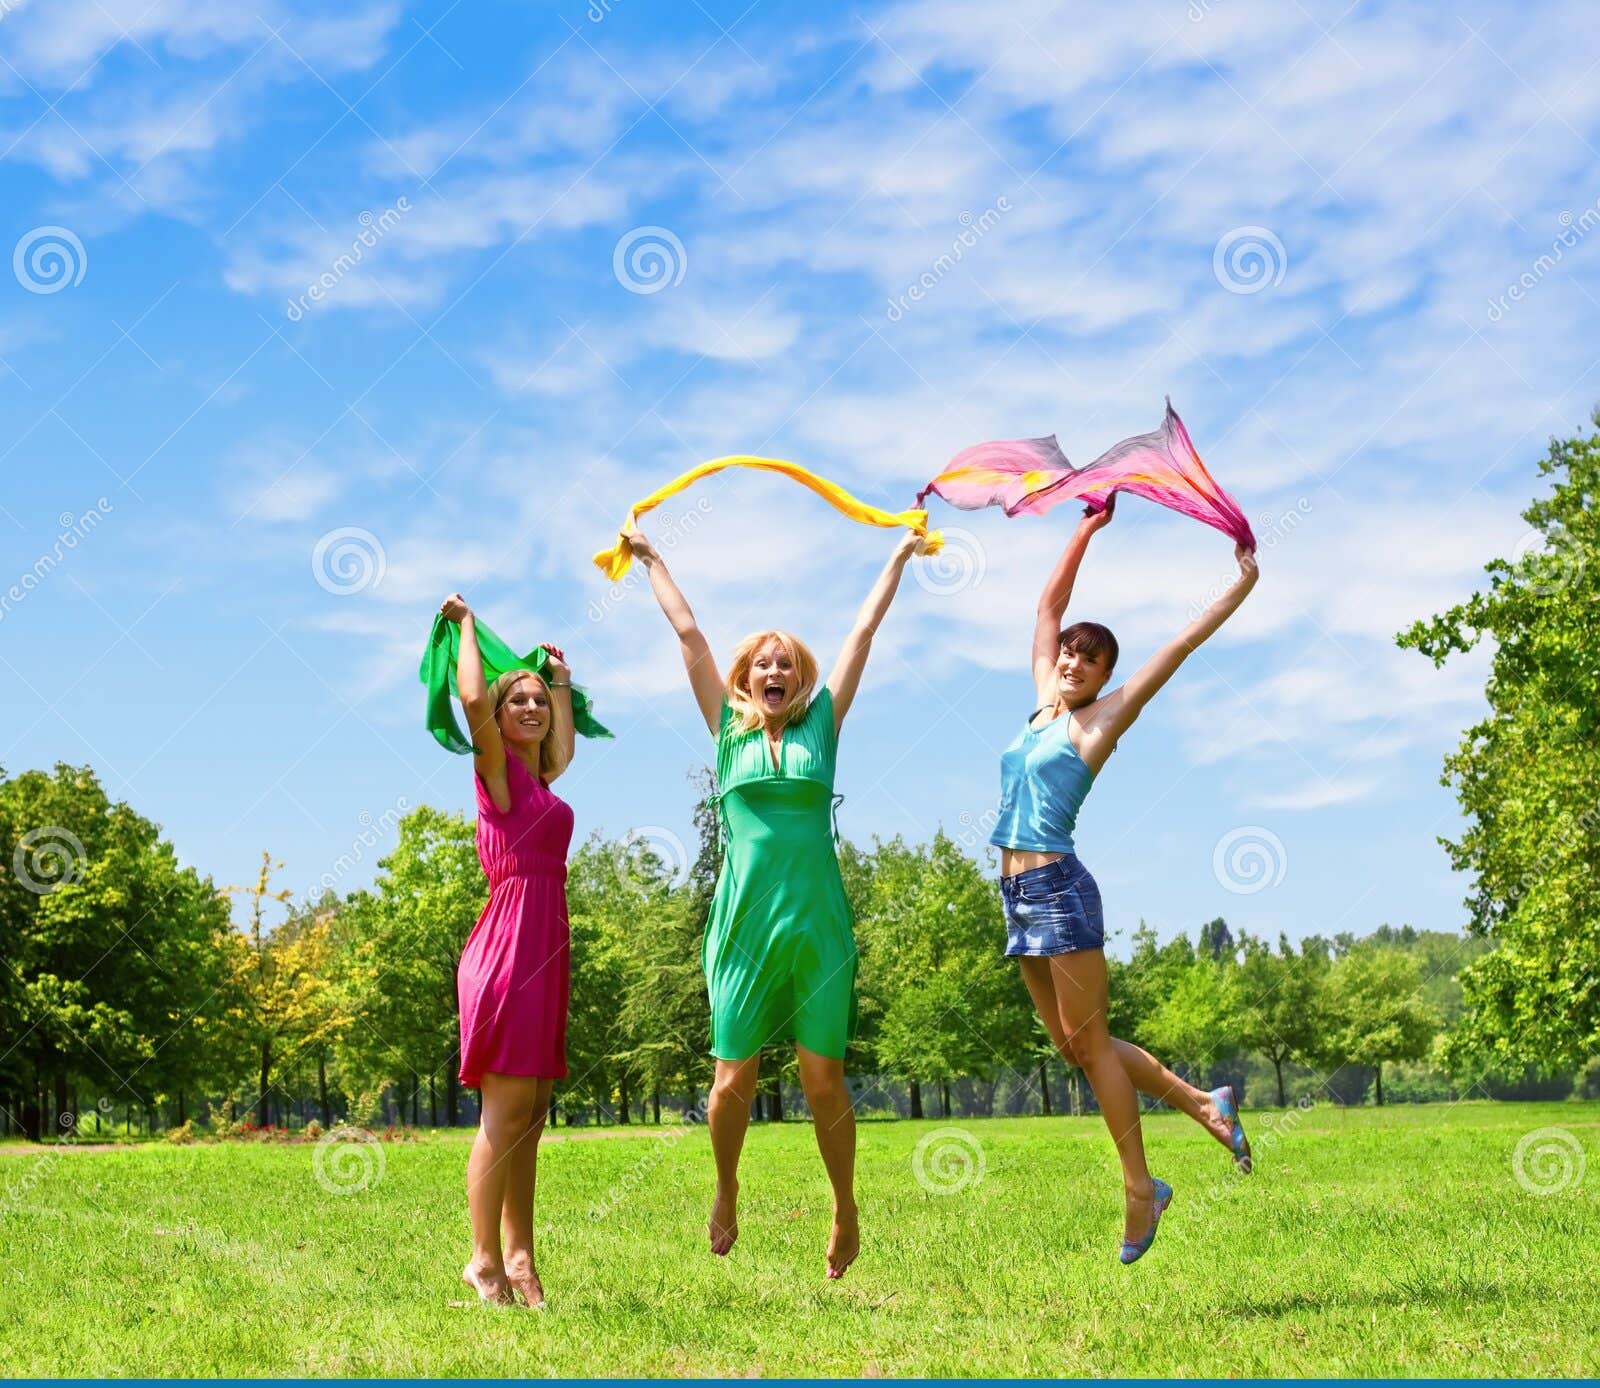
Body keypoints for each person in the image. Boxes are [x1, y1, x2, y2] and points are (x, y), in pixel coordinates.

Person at [627, 527, 925, 1279]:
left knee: (824, 1078)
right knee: (733, 1078)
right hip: (743, 927)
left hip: (817, 923)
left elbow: (863, 630)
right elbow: (689, 631)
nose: (775, 668)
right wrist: (652, 558)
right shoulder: (726, 731)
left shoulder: (822, 725)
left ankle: (845, 1206)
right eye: (763, 661)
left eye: (786, 662)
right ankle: (727, 1190)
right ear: (744, 677)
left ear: (800, 680)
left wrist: (897, 556)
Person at [993, 498, 1258, 1264]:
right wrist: (1088, 527)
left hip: (1059, 891)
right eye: (1070, 652)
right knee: (1081, 1047)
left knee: (1092, 1047)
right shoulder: (1043, 704)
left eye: (1090, 659)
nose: (1072, 661)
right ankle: (1207, 1104)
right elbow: (1047, 605)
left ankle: (1142, 1188)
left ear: (1106, 676)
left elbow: (1178, 645)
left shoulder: (1099, 721)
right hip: (1015, 897)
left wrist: (1238, 586)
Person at [439, 592, 576, 1307]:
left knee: (533, 1111)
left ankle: (522, 1258)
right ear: (499, 714)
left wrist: (558, 675)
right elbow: (469, 694)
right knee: (506, 1111)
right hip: (506, 949)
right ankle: (485, 1260)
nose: (530, 708)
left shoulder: (542, 779)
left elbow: (565, 744)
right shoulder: (495, 772)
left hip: (546, 946)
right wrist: (466, 625)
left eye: (538, 702)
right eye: (517, 699)